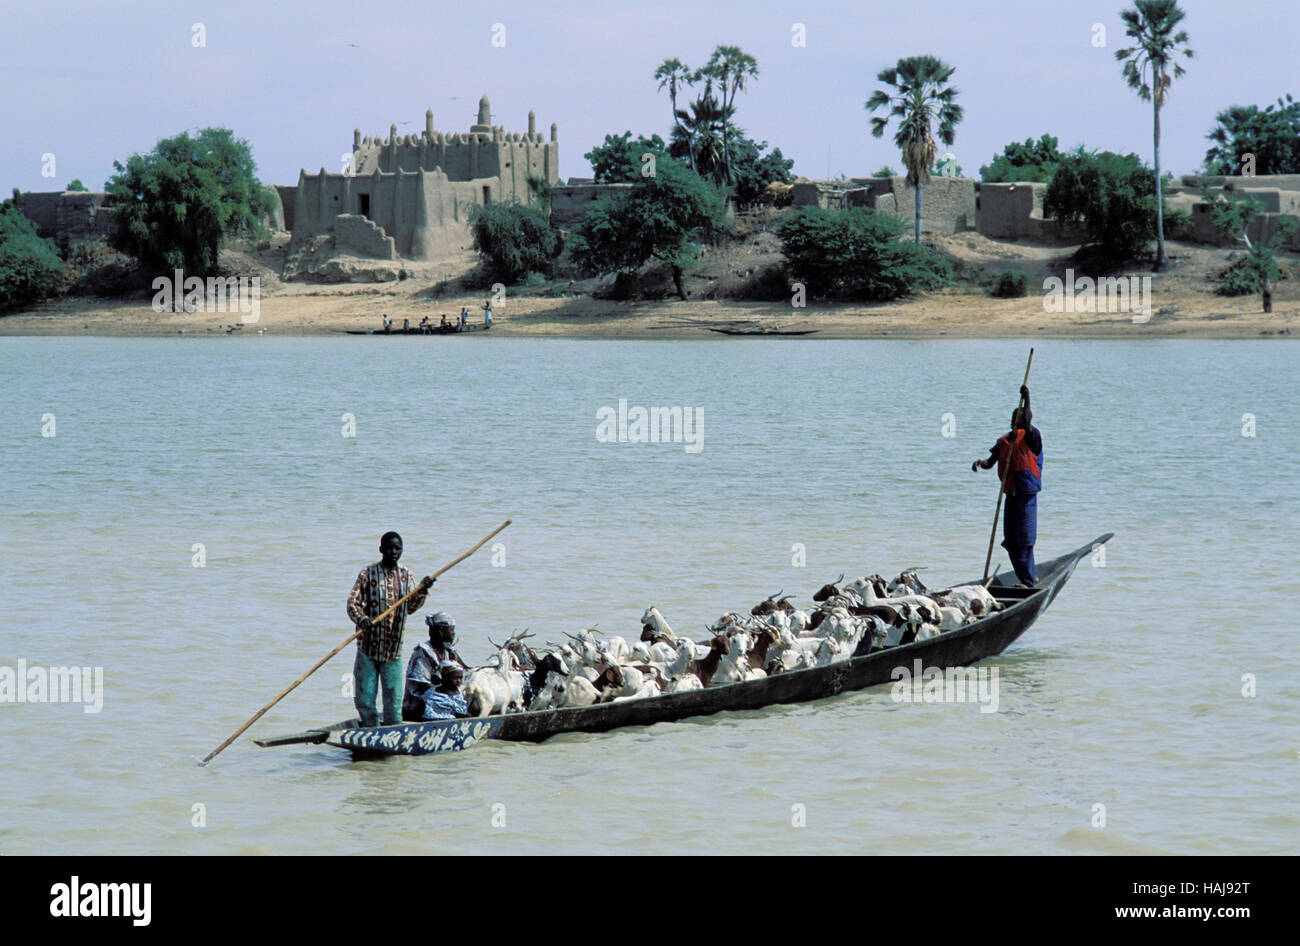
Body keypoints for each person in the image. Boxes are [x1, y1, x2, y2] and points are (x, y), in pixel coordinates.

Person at [346, 532, 435, 727]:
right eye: (389, 548)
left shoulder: (406, 575)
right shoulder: (367, 574)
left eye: (397, 549)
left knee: (393, 700)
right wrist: (362, 619)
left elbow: (410, 607)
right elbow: (353, 603)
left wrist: (422, 591)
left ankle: (393, 734)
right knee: (365, 697)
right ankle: (370, 728)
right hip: (368, 647)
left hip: (393, 649)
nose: (393, 552)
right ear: (381, 550)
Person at [972, 385, 1043, 586]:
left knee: (1025, 540)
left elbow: (1028, 421)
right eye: (1016, 420)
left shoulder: (1032, 437)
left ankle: (1029, 581)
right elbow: (990, 462)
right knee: (1011, 542)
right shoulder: (1003, 441)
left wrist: (1027, 397)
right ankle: (1025, 577)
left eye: (1022, 420)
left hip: (1026, 497)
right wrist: (980, 463)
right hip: (1010, 496)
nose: (1018, 424)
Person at [402, 611, 469, 721]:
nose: (453, 633)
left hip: (443, 697)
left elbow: (464, 669)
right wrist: (446, 692)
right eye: (451, 629)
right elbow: (420, 686)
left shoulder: (449, 651)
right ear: (441, 631)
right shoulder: (422, 652)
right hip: (418, 706)